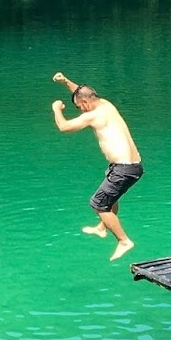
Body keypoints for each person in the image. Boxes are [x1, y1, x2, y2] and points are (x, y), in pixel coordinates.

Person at [50, 71, 143, 261]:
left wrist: (56, 109)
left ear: (85, 103)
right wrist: (65, 81)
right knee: (109, 198)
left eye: (79, 107)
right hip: (132, 167)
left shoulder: (93, 115)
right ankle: (102, 228)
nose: (81, 110)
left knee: (99, 204)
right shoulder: (106, 104)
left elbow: (64, 127)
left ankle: (124, 241)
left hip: (123, 169)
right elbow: (81, 92)